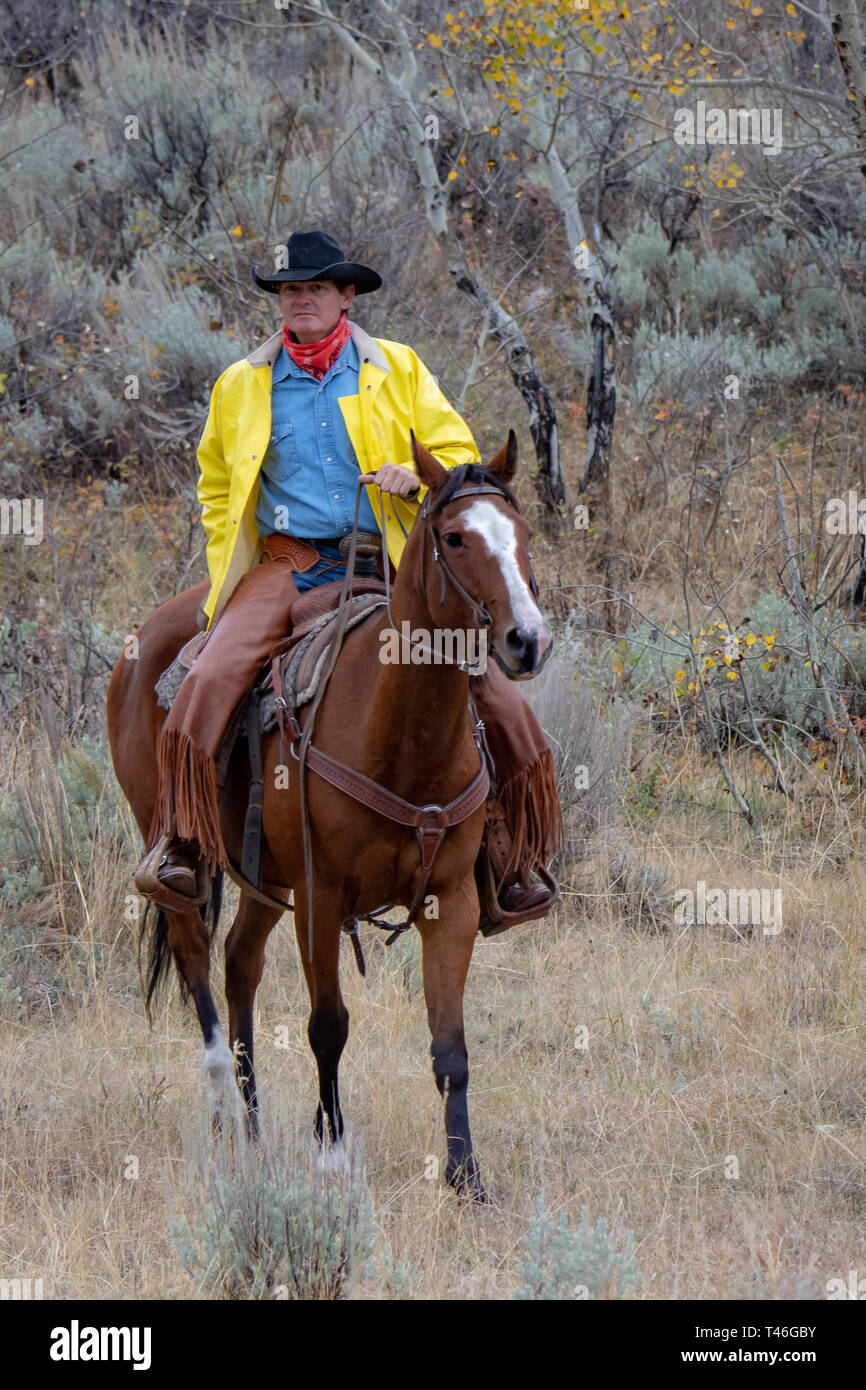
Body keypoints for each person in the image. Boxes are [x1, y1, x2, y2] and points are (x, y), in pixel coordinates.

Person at [135, 230, 561, 932]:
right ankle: (182, 842)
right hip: (289, 565)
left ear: (346, 297)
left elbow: (459, 458)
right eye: (289, 290)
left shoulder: (395, 368)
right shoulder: (242, 384)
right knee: (211, 674)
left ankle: (509, 858)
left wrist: (412, 479)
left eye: (315, 288)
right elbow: (215, 482)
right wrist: (229, 561)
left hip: (389, 565)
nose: (299, 299)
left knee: (491, 689)